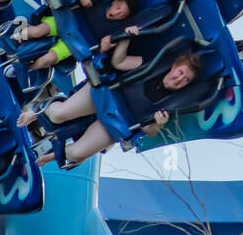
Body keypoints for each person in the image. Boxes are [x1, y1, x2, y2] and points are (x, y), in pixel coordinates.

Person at [18, 49, 202, 167]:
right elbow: (119, 62)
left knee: (77, 153)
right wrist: (124, 40)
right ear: (174, 67)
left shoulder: (169, 104)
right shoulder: (149, 64)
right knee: (59, 114)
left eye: (185, 80)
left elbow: (148, 130)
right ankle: (37, 111)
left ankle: (52, 155)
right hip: (105, 95)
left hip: (117, 119)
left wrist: (158, 125)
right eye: (180, 73)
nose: (179, 80)